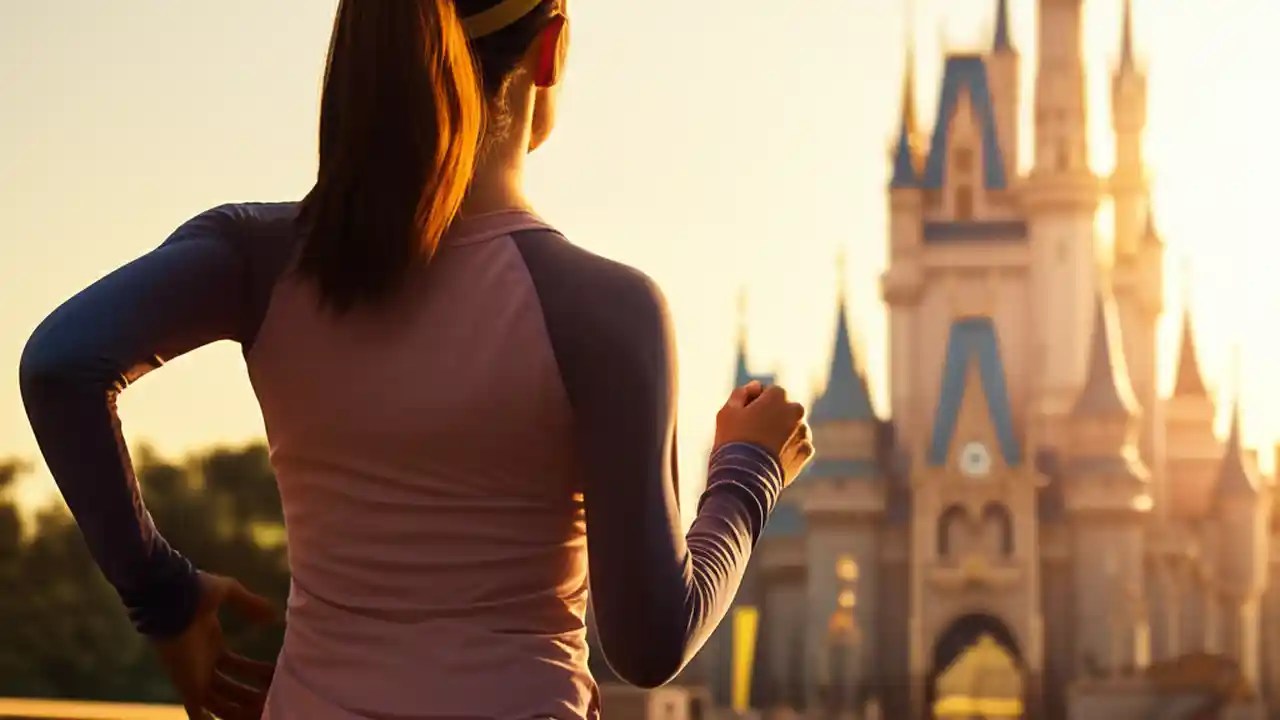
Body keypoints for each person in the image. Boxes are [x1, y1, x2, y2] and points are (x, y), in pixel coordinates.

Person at [18, 0, 815, 718]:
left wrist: (163, 595)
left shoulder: (256, 258)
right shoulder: (605, 310)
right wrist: (749, 471)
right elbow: (649, 644)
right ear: (552, 52)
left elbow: (60, 367)